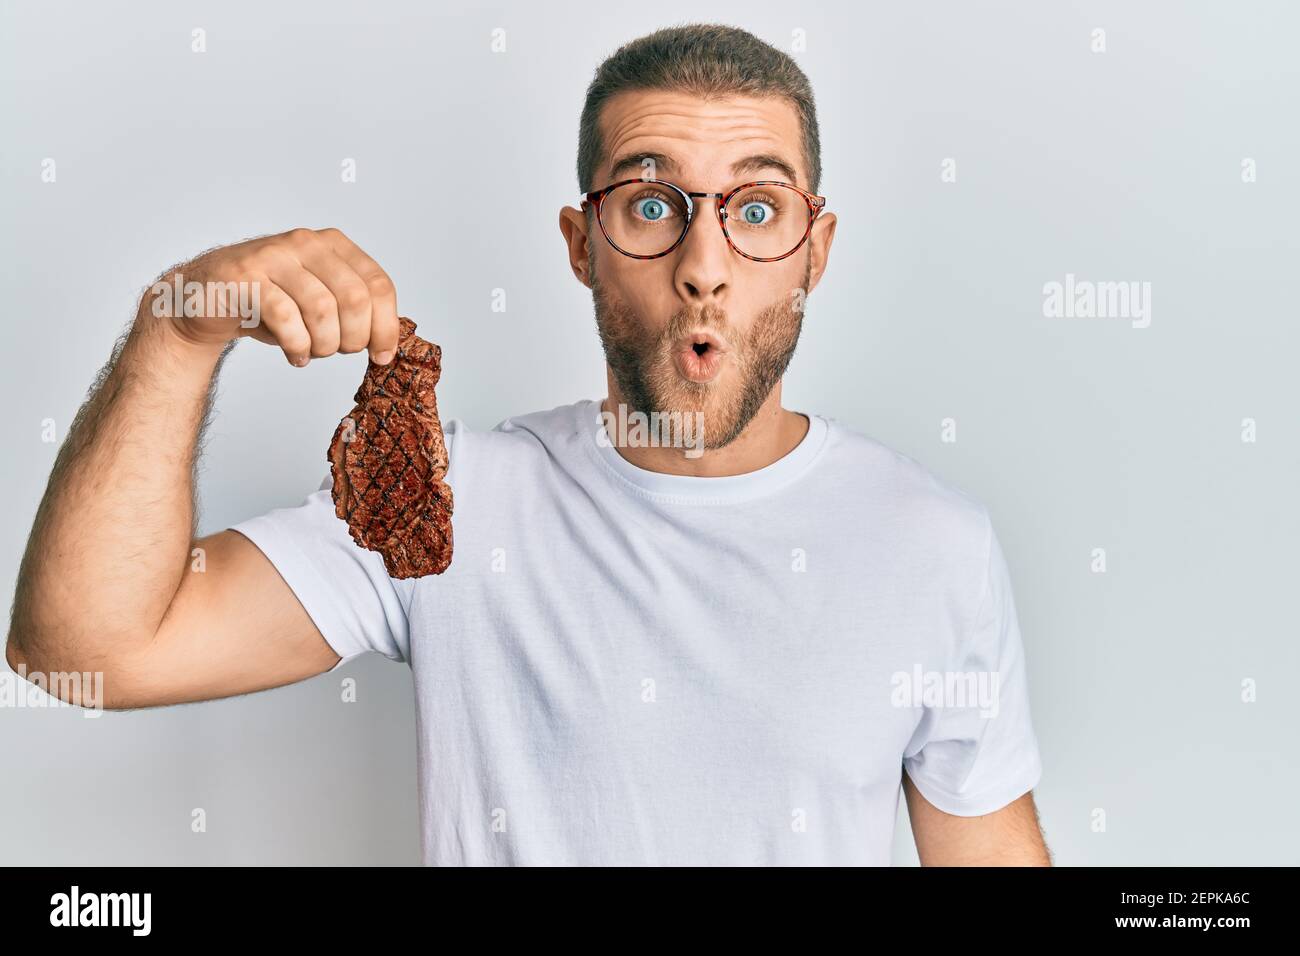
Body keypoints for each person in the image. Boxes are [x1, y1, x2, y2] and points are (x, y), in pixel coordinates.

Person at [6, 23, 1049, 865]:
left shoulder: (931, 545)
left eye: (757, 208)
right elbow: (80, 650)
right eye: (651, 203)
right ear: (581, 246)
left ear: (814, 251)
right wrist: (178, 328)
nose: (704, 264)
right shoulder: (450, 505)